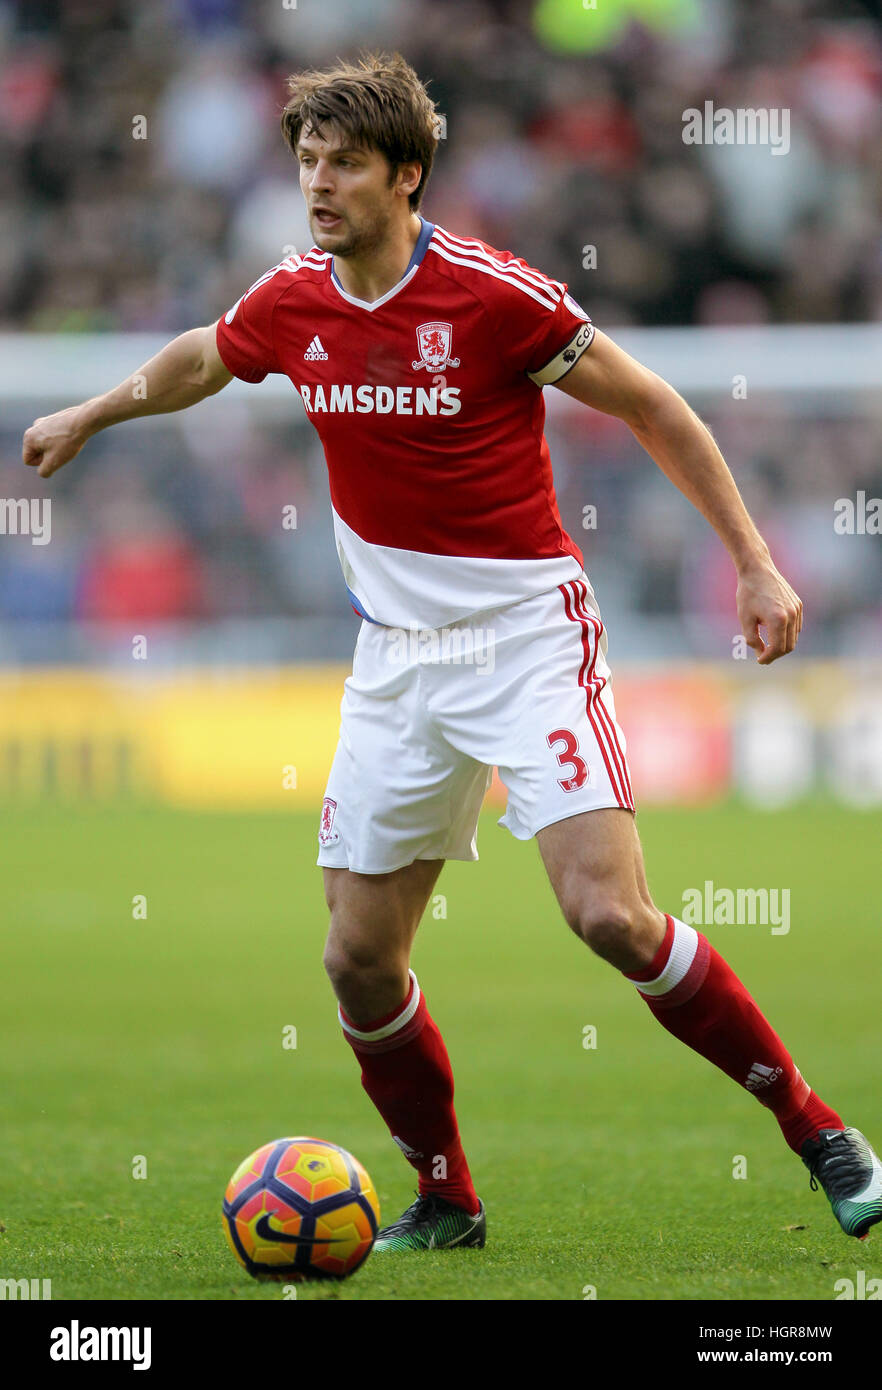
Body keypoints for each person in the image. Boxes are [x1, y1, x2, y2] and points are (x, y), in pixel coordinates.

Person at [23, 51, 881, 1255]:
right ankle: (447, 1199)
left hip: (529, 637)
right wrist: (93, 413)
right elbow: (204, 358)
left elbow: (656, 407)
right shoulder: (294, 298)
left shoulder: (495, 296)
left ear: (407, 176)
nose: (317, 184)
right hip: (396, 661)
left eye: (345, 165)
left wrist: (753, 560)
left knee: (611, 918)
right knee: (358, 964)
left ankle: (816, 1127)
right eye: (307, 161)